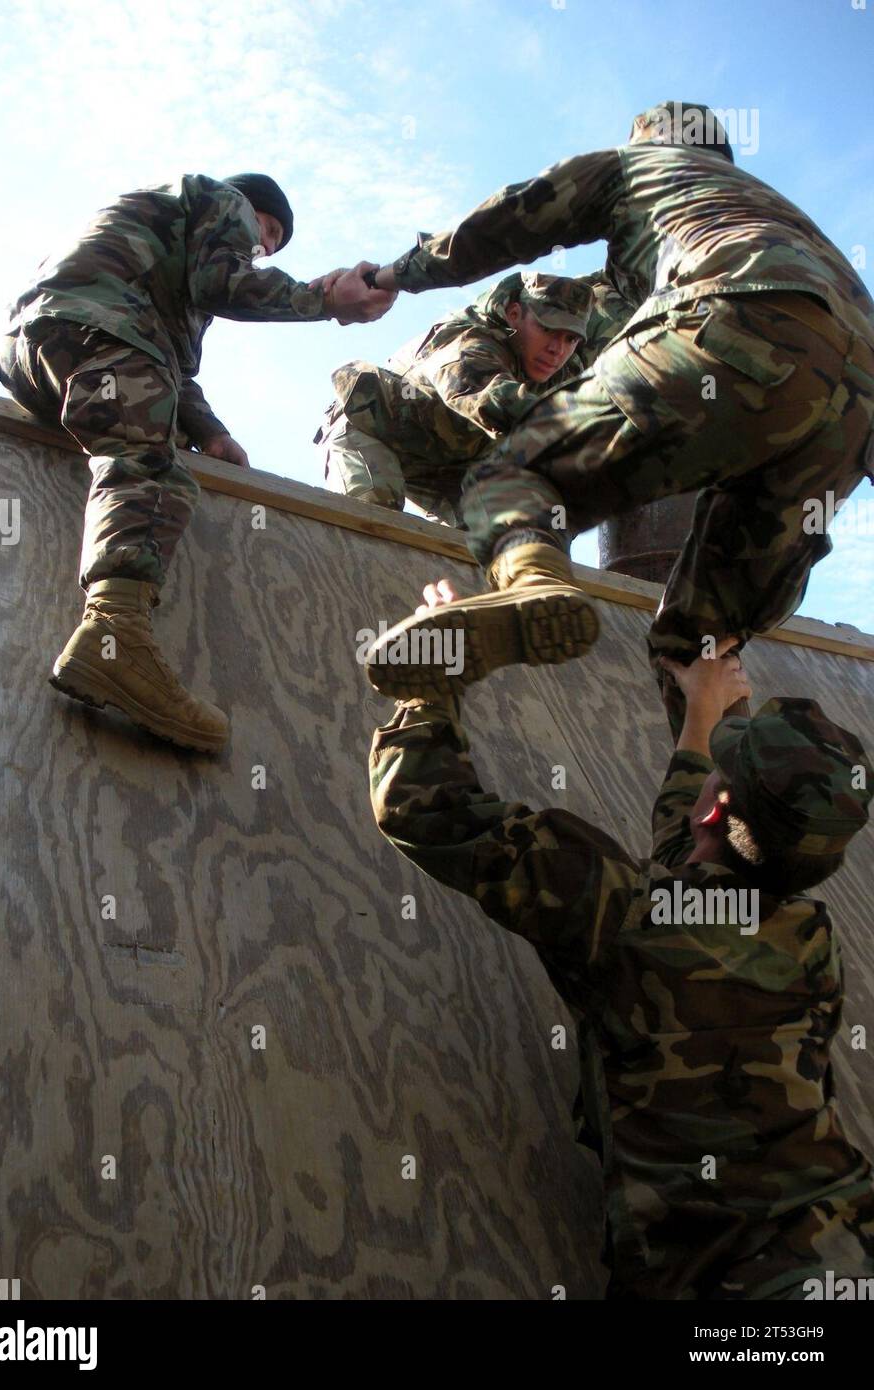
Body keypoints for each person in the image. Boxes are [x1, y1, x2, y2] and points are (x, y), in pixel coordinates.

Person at [369, 582, 874, 1300]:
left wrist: (437, 682)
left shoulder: (617, 910)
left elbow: (420, 801)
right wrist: (703, 717)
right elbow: (693, 871)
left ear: (718, 804)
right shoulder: (808, 941)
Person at [357, 102, 874, 737]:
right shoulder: (783, 215)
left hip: (737, 320)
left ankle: (533, 583)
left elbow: (510, 218)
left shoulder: (647, 167)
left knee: (507, 476)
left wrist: (386, 276)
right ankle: (736, 817)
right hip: (856, 413)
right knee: (701, 653)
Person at [0, 172, 395, 752]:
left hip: (37, 348)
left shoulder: (163, 241)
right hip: (99, 331)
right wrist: (326, 298)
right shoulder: (222, 199)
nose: (262, 247)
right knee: (153, 470)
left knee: (141, 436)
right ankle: (114, 635)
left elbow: (170, 365)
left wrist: (209, 431)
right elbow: (221, 283)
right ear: (250, 206)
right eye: (269, 231)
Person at [315, 271, 610, 526]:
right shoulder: (470, 342)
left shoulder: (559, 366)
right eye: (547, 330)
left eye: (570, 339)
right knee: (372, 524)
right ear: (515, 314)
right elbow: (490, 397)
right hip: (371, 429)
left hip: (447, 465)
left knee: (494, 546)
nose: (557, 349)